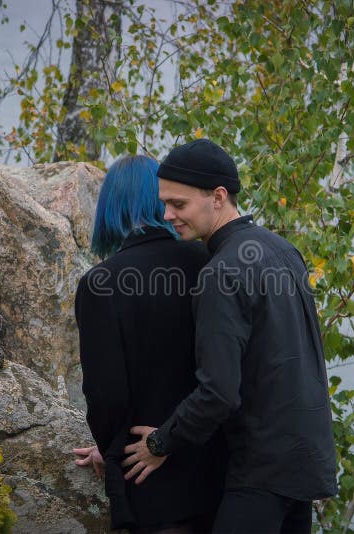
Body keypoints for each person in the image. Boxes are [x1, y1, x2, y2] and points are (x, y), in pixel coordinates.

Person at [122, 140, 338, 533]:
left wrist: (160, 443)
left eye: (179, 204)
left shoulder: (221, 272)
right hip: (305, 465)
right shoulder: (283, 250)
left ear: (218, 197)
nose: (167, 214)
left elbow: (218, 392)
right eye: (164, 203)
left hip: (260, 473)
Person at [73, 154, 225, 533]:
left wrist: (113, 447)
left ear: (109, 205)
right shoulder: (211, 261)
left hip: (151, 486)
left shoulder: (102, 282)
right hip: (222, 479)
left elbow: (107, 396)